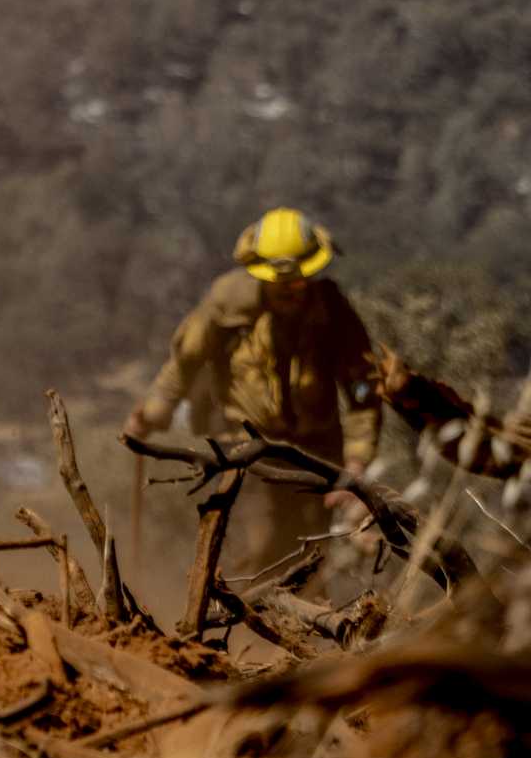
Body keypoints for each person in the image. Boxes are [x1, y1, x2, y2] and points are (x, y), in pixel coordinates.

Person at [123, 208, 382, 571]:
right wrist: (153, 412)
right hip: (246, 448)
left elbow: (363, 390)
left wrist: (355, 463)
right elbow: (186, 361)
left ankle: (302, 622)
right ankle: (247, 618)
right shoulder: (227, 303)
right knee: (263, 544)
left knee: (311, 551)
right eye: (280, 284)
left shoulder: (332, 311)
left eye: (298, 281)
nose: (290, 292)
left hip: (316, 450)